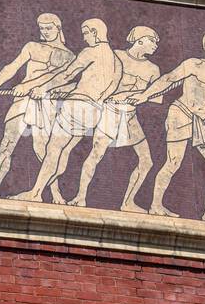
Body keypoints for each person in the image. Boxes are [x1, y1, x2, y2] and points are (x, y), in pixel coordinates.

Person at [130, 32, 205, 222]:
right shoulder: (194, 64)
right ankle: (155, 205)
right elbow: (168, 79)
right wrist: (145, 95)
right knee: (173, 163)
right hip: (180, 114)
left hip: (200, 123)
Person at [9, 18, 122, 204]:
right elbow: (106, 89)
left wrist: (43, 89)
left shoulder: (90, 52)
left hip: (75, 107)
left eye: (86, 33)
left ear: (95, 32)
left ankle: (35, 193)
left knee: (53, 150)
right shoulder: (116, 61)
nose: (85, 38)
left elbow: (68, 74)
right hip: (93, 112)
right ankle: (46, 190)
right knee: (65, 150)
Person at [0, 13, 73, 197]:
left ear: (58, 28)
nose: (45, 32)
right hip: (22, 101)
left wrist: (36, 87)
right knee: (7, 143)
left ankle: (55, 193)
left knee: (42, 149)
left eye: (49, 28)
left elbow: (59, 79)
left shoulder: (67, 56)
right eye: (42, 28)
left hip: (44, 105)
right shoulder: (32, 47)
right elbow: (12, 66)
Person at [67, 26, 162, 211]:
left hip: (130, 116)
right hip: (110, 112)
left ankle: (128, 203)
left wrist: (140, 95)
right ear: (140, 40)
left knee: (146, 161)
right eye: (153, 41)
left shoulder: (153, 69)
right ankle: (80, 197)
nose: (156, 46)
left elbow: (156, 99)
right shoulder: (116, 56)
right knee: (96, 154)